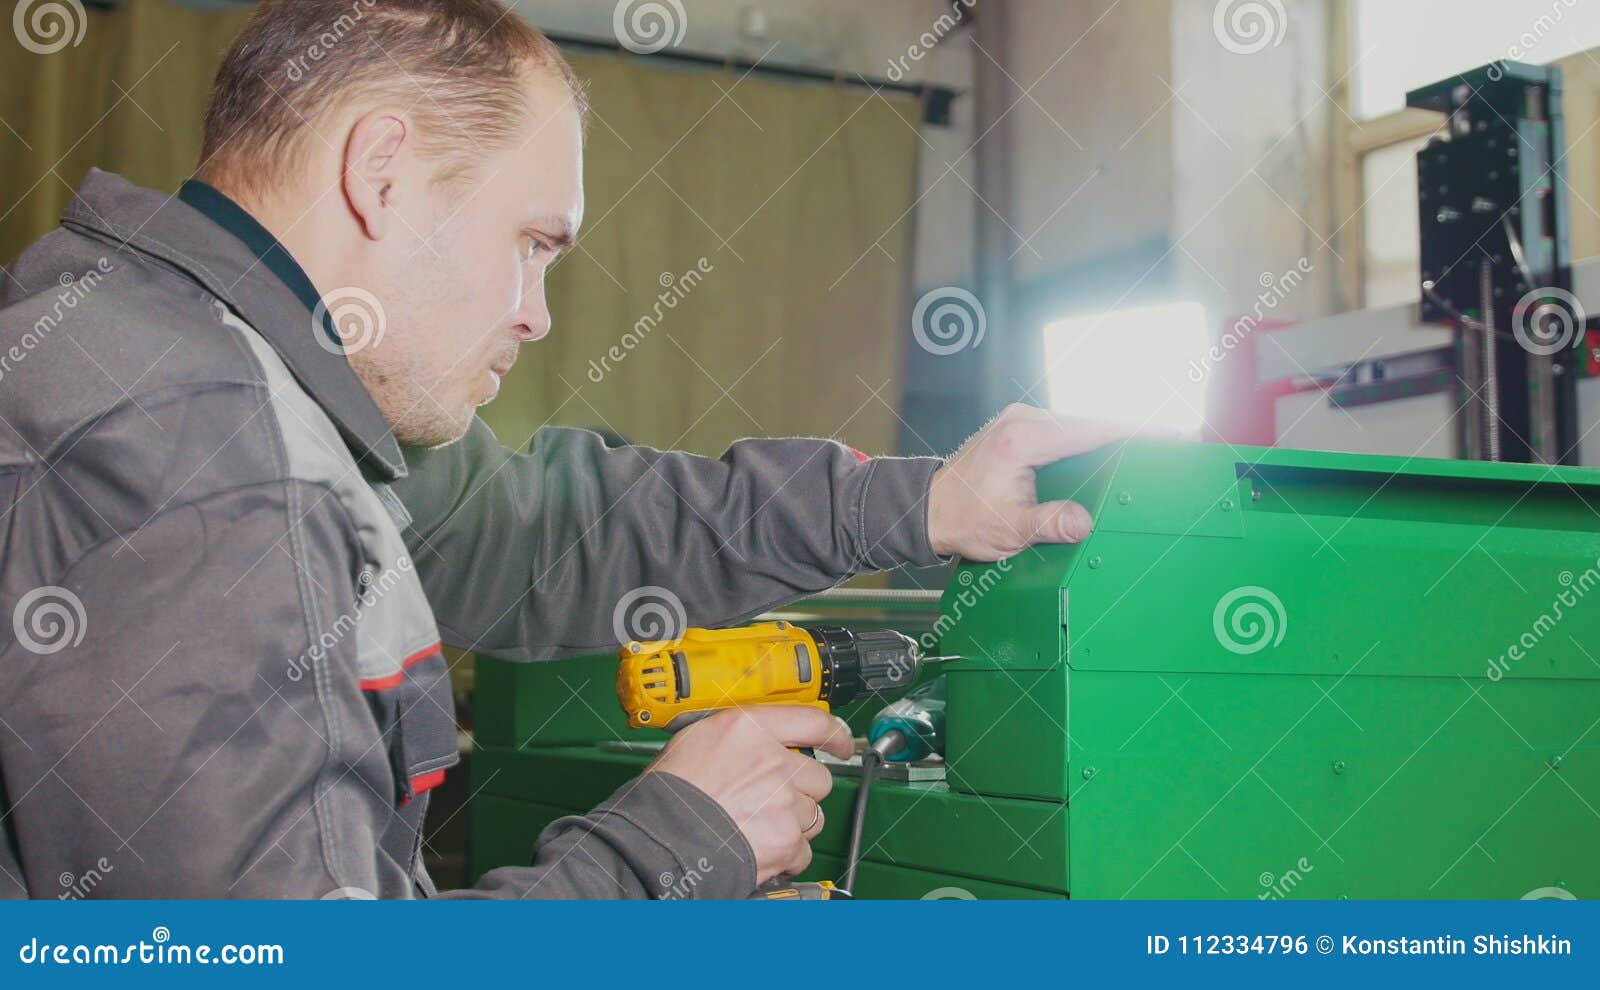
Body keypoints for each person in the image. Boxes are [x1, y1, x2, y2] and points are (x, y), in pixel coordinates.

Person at [0, 0, 1130, 899]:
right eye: (533, 243)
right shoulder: (195, 453)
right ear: (381, 171)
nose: (537, 312)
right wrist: (675, 844)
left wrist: (927, 503)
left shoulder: (225, 377)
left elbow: (554, 526)